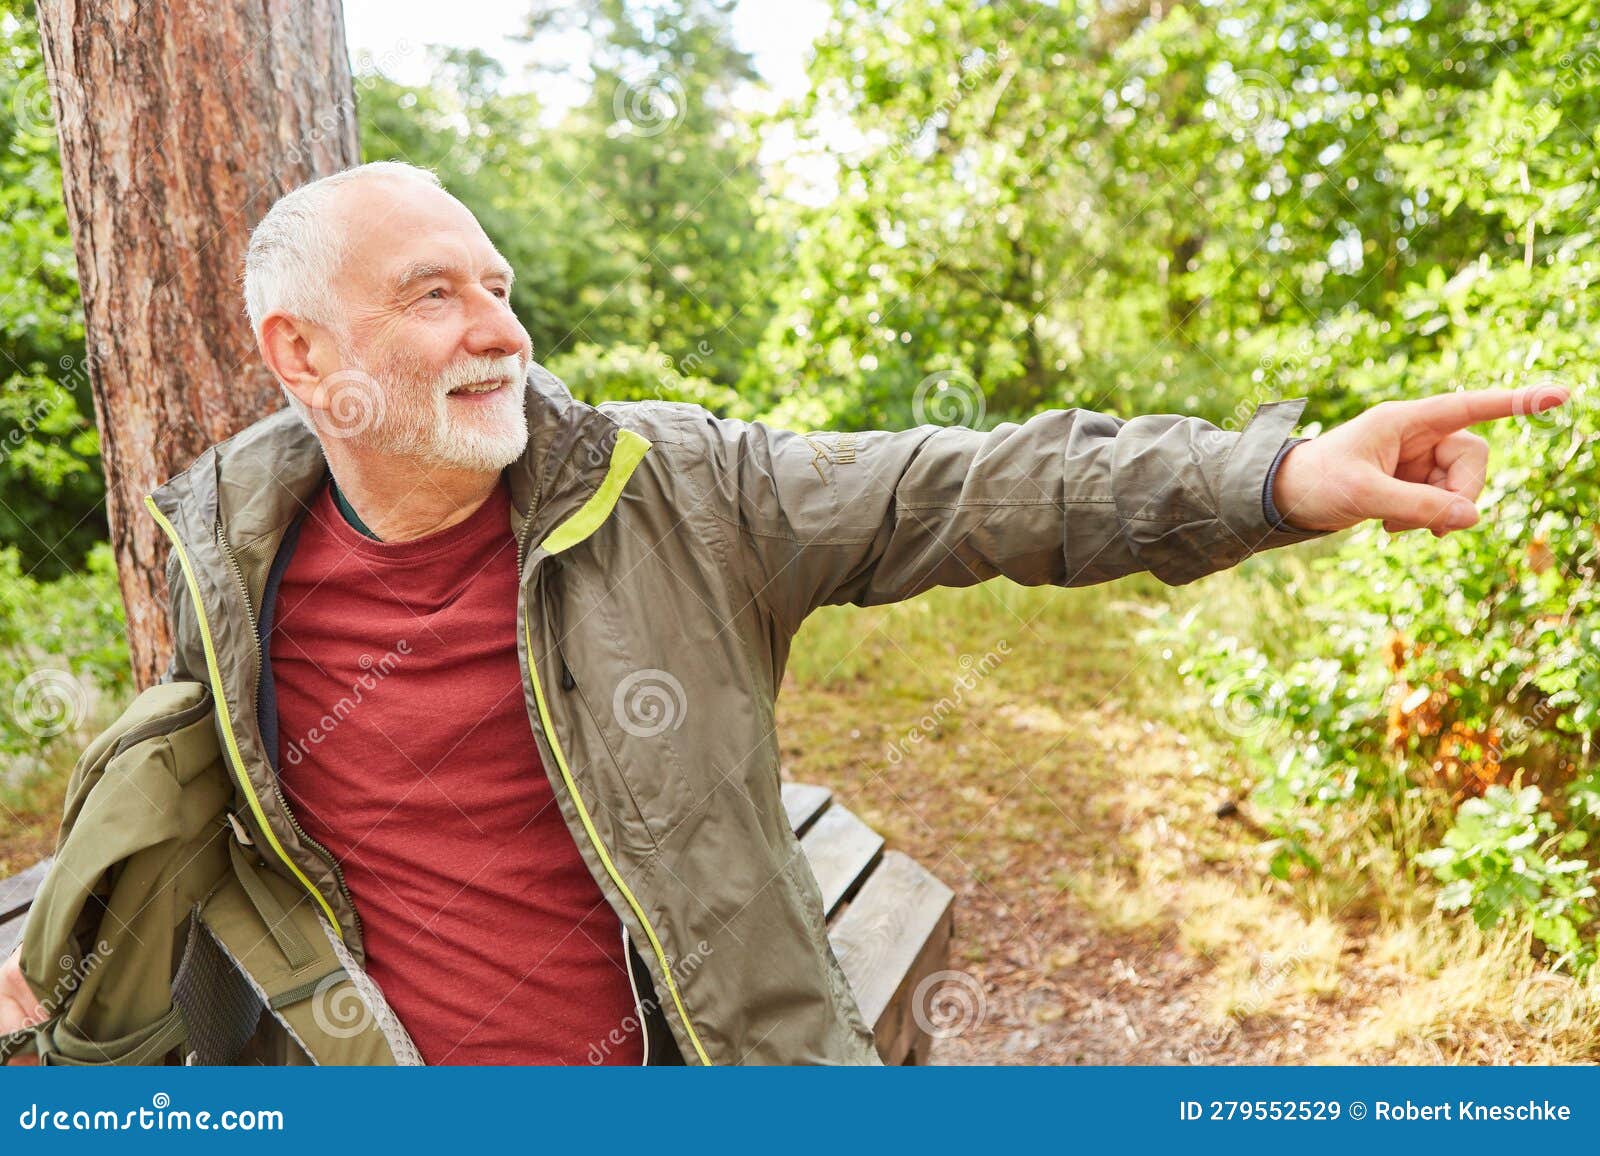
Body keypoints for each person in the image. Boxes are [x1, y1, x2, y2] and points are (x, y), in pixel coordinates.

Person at [0, 161, 1566, 1065]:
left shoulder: (681, 489)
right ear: (299, 352)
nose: (500, 328)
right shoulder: (232, 548)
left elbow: (977, 488)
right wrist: (67, 943)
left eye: (496, 283)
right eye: (433, 295)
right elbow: (220, 795)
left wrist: (1276, 473)